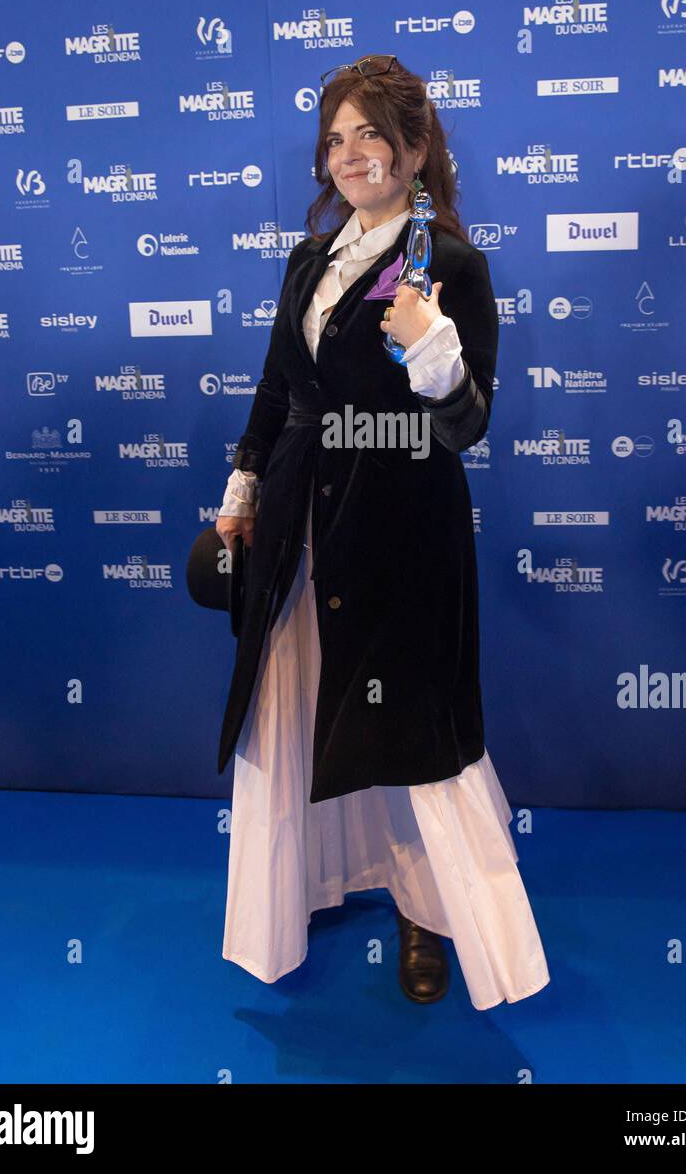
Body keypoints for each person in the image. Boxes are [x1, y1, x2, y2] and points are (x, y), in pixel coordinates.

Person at [215, 54, 550, 1009]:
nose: (351, 155)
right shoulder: (309, 261)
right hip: (300, 522)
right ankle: (312, 885)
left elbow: (466, 424)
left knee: (414, 724)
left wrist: (432, 349)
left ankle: (431, 916)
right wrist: (242, 492)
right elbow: (279, 387)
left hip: (401, 528)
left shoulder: (444, 264)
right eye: (337, 138)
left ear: (414, 151)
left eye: (372, 136)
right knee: (300, 709)